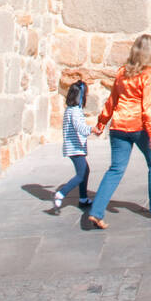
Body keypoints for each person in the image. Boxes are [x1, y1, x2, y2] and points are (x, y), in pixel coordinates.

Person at [87, 34, 151, 229]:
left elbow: (112, 101)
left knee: (116, 169)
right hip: (139, 127)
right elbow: (148, 106)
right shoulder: (149, 74)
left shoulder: (121, 73)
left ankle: (96, 211)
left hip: (118, 126)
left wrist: (101, 123)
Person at [52, 80, 95, 211]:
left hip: (74, 147)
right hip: (75, 148)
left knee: (85, 170)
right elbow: (80, 127)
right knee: (81, 174)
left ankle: (83, 198)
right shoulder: (75, 111)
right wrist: (92, 130)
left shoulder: (70, 110)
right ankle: (61, 194)